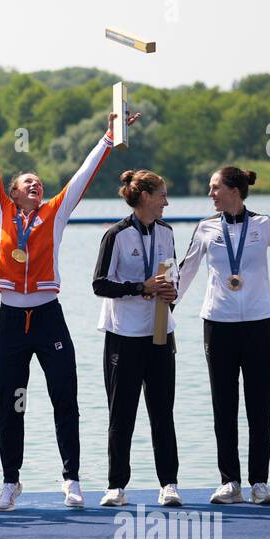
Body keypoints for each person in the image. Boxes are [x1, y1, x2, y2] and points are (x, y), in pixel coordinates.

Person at [0, 92, 136, 511]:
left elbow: (83, 175)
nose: (36, 184)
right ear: (12, 194)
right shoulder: (0, 213)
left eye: (39, 181)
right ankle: (11, 480)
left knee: (64, 397)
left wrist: (108, 136)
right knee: (11, 401)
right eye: (27, 181)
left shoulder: (55, 213)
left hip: (48, 317)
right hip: (11, 320)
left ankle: (71, 478)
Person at [176, 166, 270, 504]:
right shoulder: (205, 228)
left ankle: (260, 482)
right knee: (224, 406)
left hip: (260, 323)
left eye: (215, 188)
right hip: (218, 324)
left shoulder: (264, 226)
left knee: (259, 407)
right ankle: (230, 481)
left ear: (234, 190)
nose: (210, 194)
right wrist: (163, 313)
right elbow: (185, 272)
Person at [91, 169, 181, 507]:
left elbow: (173, 277)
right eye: (162, 196)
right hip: (124, 335)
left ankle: (169, 483)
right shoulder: (117, 235)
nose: (166, 202)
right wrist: (139, 287)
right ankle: (116, 486)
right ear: (145, 197)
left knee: (163, 412)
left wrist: (170, 291)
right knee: (122, 413)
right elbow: (100, 284)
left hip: (160, 333)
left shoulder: (167, 232)